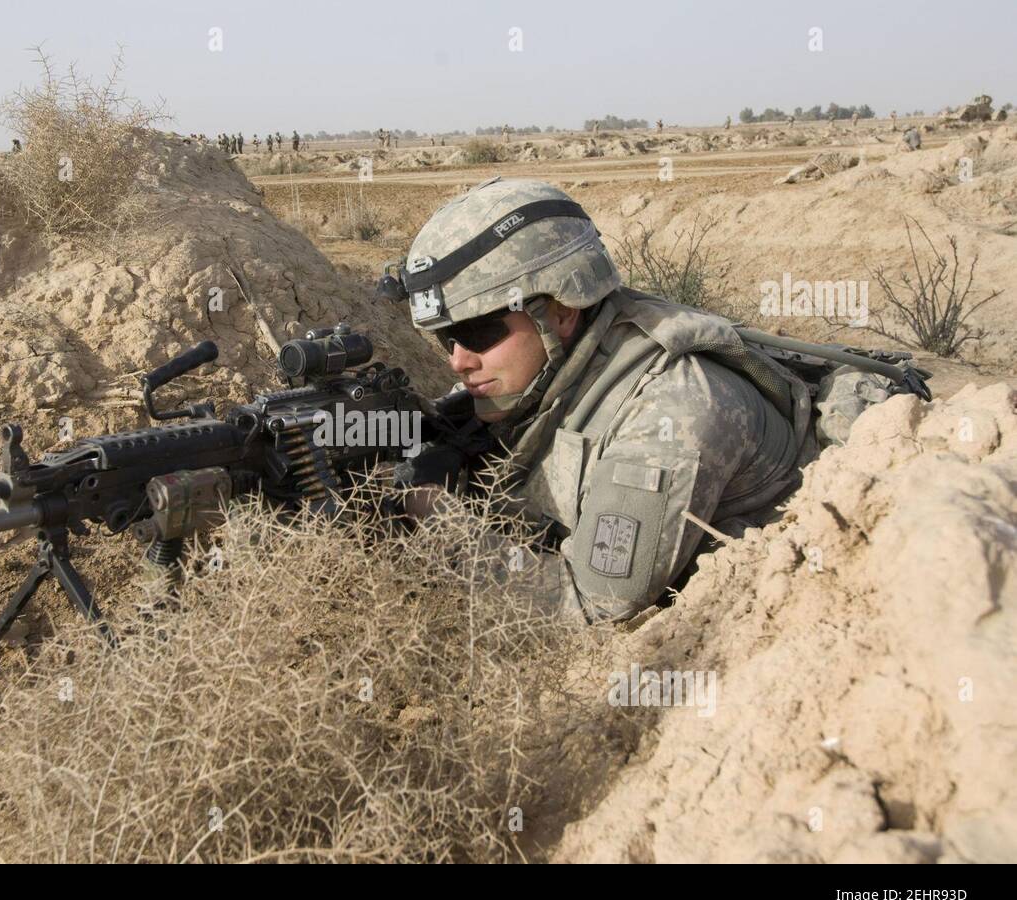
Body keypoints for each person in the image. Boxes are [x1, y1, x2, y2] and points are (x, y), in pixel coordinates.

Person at [387, 178, 911, 621]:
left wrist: (437, 519)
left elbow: (592, 607)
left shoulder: (673, 411)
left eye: (478, 334)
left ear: (561, 313)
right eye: (445, 339)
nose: (458, 361)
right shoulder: (548, 369)